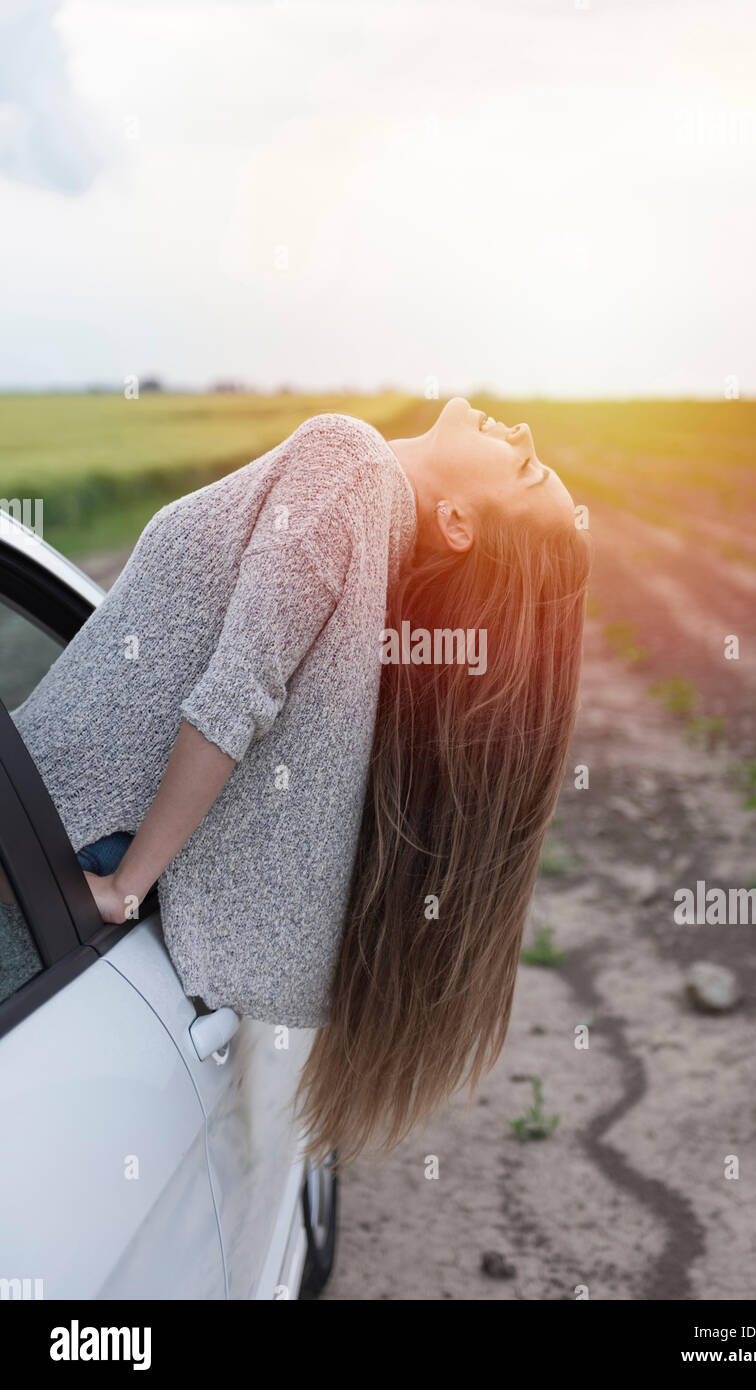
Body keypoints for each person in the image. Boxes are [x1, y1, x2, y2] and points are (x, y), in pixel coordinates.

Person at [10, 397, 590, 1163]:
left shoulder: (347, 463)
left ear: (458, 523)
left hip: (48, 837)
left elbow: (238, 692)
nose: (521, 431)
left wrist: (126, 885)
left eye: (524, 467)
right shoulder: (375, 551)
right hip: (62, 832)